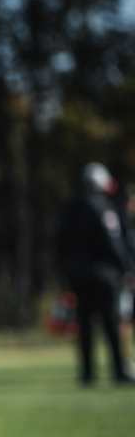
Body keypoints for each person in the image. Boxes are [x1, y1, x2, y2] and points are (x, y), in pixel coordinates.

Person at [56, 163, 135, 386]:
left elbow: (60, 244)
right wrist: (127, 268)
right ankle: (119, 371)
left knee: (85, 326)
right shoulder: (103, 208)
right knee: (111, 324)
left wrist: (66, 272)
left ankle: (87, 373)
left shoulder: (71, 209)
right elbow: (113, 243)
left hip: (79, 276)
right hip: (105, 275)